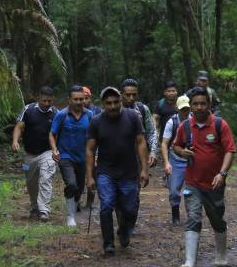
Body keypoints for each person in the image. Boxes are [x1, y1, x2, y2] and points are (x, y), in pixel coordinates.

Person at [172, 86, 237, 267]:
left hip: (214, 184)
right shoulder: (185, 126)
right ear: (190, 106)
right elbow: (176, 146)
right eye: (195, 104)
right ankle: (190, 262)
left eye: (203, 103)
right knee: (193, 217)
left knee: (216, 218)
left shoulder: (219, 125)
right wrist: (182, 151)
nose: (199, 107)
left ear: (208, 104)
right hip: (192, 183)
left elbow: (230, 150)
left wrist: (222, 174)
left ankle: (222, 256)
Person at [86, 87, 150, 254]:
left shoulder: (132, 117)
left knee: (129, 208)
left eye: (116, 102)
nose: (113, 106)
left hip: (129, 172)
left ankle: (124, 230)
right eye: (108, 103)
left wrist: (144, 169)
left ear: (121, 101)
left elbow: (141, 142)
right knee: (106, 206)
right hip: (105, 172)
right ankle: (108, 243)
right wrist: (90, 176)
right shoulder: (96, 121)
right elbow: (90, 149)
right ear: (103, 104)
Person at [49, 85, 93, 227]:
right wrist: (54, 149)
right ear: (69, 99)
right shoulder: (62, 115)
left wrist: (96, 153)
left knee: (79, 188)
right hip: (65, 156)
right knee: (72, 184)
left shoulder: (89, 115)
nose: (79, 102)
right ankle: (70, 216)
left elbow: (94, 136)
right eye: (76, 99)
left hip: (83, 157)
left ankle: (74, 206)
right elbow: (52, 134)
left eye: (82, 99)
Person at [12, 86, 57, 222]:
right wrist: (15, 141)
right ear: (39, 98)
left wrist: (57, 149)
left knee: (46, 179)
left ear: (53, 99)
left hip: (47, 152)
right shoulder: (28, 110)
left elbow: (60, 131)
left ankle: (44, 211)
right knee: (31, 183)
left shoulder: (56, 113)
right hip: (29, 154)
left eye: (49, 101)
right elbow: (19, 127)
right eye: (44, 100)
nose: (47, 103)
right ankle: (34, 206)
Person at [161, 95, 191, 226]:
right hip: (176, 159)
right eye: (182, 109)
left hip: (191, 160)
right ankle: (175, 215)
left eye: (187, 109)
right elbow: (164, 143)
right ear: (177, 109)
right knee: (174, 191)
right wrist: (167, 163)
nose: (185, 112)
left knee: (193, 191)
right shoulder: (171, 122)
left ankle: (192, 216)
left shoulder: (194, 121)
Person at [121, 78, 158, 167]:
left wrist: (153, 152)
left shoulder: (143, 109)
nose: (131, 98)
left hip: (139, 155)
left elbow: (151, 132)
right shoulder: (113, 109)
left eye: (134, 95)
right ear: (121, 94)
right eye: (128, 95)